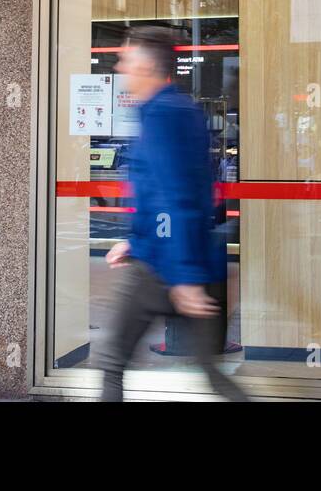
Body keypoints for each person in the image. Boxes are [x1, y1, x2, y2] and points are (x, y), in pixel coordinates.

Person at [96, 26, 248, 402]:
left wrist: (183, 278)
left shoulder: (162, 116)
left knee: (112, 363)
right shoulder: (177, 109)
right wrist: (133, 241)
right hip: (184, 260)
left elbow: (176, 197)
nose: (118, 68)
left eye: (125, 60)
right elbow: (169, 193)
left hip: (164, 268)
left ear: (146, 67)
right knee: (212, 375)